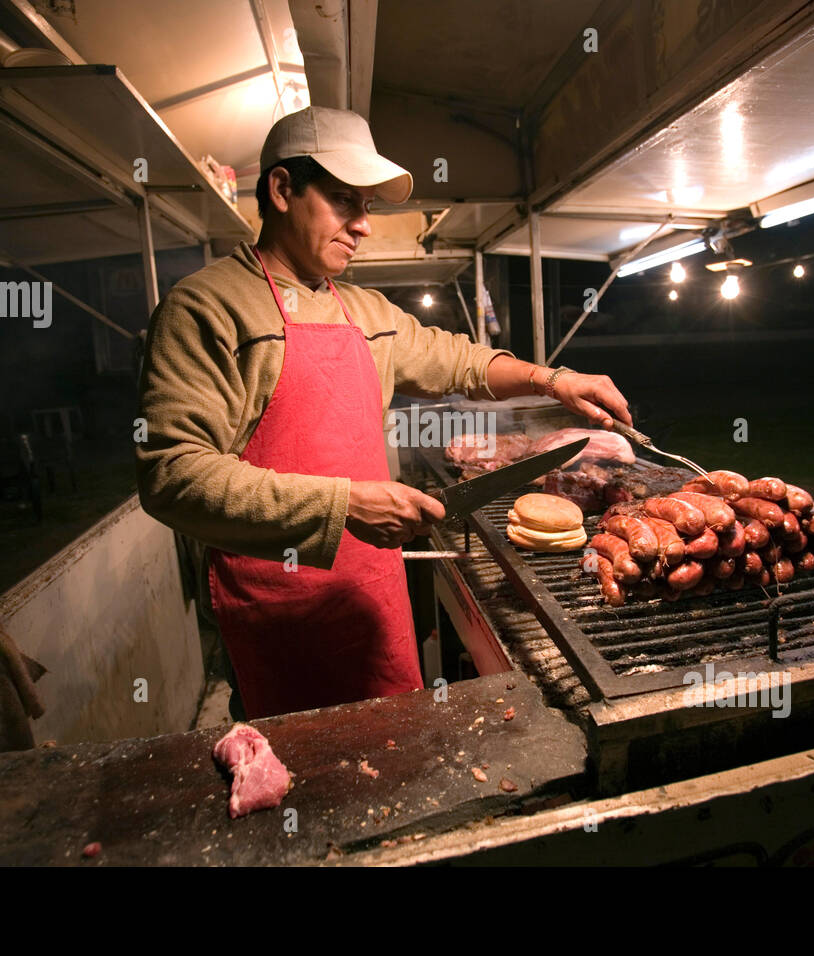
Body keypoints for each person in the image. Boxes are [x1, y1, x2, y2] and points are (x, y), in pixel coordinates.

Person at [135, 106, 632, 719]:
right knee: (307, 781)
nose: (364, 225)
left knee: (399, 754)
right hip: (282, 611)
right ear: (283, 189)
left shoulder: (365, 311)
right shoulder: (207, 309)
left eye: (366, 206)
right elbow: (172, 477)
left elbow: (457, 362)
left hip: (374, 595)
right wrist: (345, 505)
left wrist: (553, 379)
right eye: (345, 200)